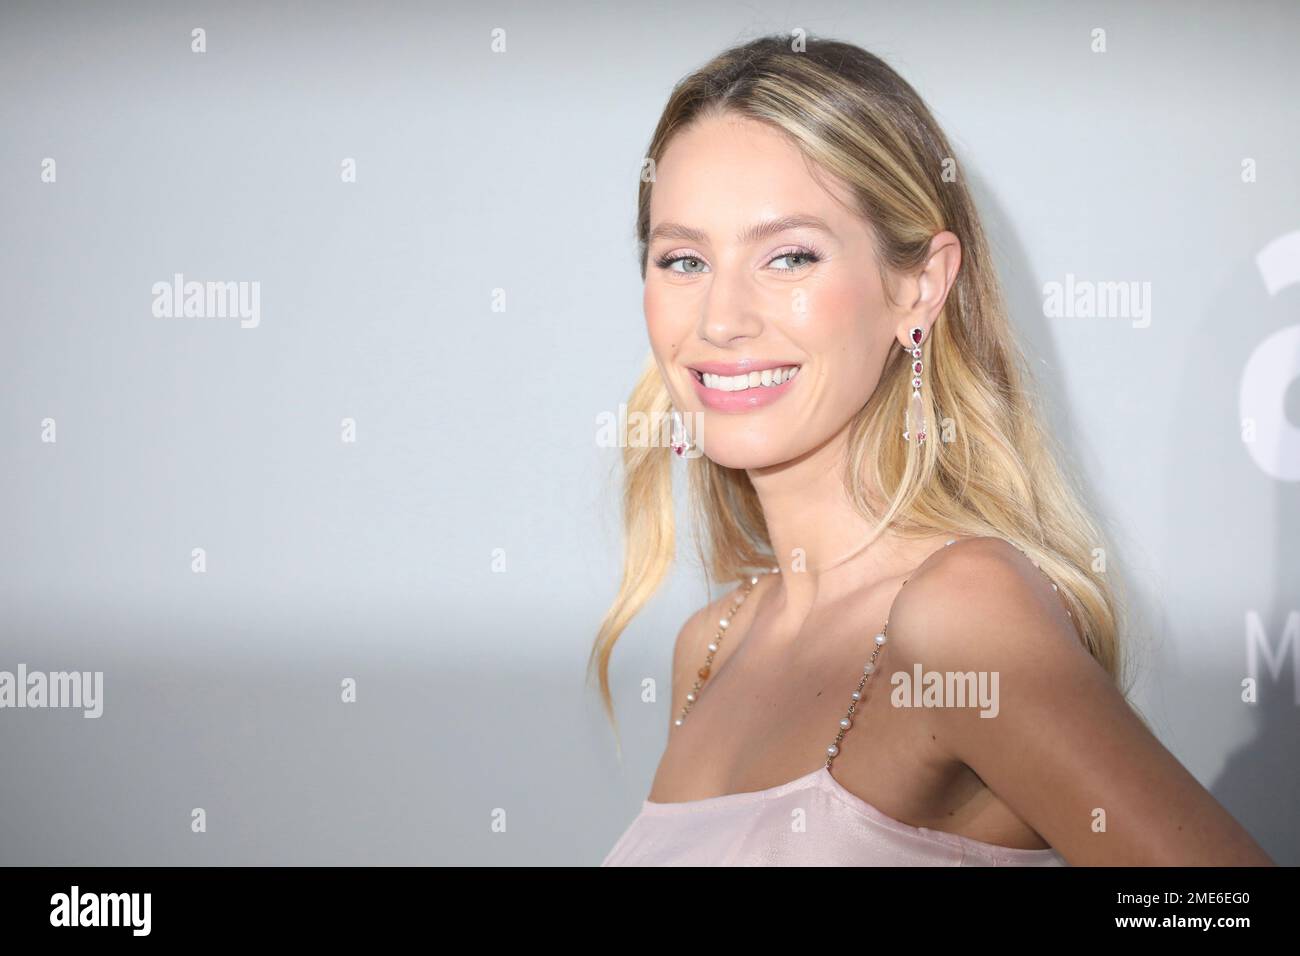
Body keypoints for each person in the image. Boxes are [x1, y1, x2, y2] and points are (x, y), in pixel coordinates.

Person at [590, 34, 1275, 866]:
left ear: (918, 285)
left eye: (790, 255)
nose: (721, 319)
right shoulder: (709, 646)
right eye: (684, 259)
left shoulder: (961, 611)